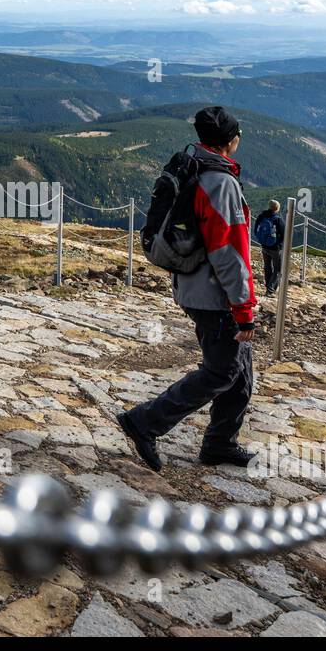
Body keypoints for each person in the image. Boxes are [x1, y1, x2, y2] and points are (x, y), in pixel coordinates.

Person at [116, 106, 256, 471]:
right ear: (231, 140)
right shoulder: (221, 182)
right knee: (222, 372)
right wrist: (244, 309)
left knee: (239, 371)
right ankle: (145, 422)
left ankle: (220, 443)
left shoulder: (194, 166)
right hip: (214, 295)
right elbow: (229, 253)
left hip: (195, 284)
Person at [252, 198, 285, 293]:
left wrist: (262, 241)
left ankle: (268, 287)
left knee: (267, 267)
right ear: (277, 208)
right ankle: (271, 289)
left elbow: (256, 230)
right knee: (278, 269)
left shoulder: (261, 217)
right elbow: (284, 234)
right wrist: (279, 244)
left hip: (264, 246)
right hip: (275, 248)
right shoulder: (277, 219)